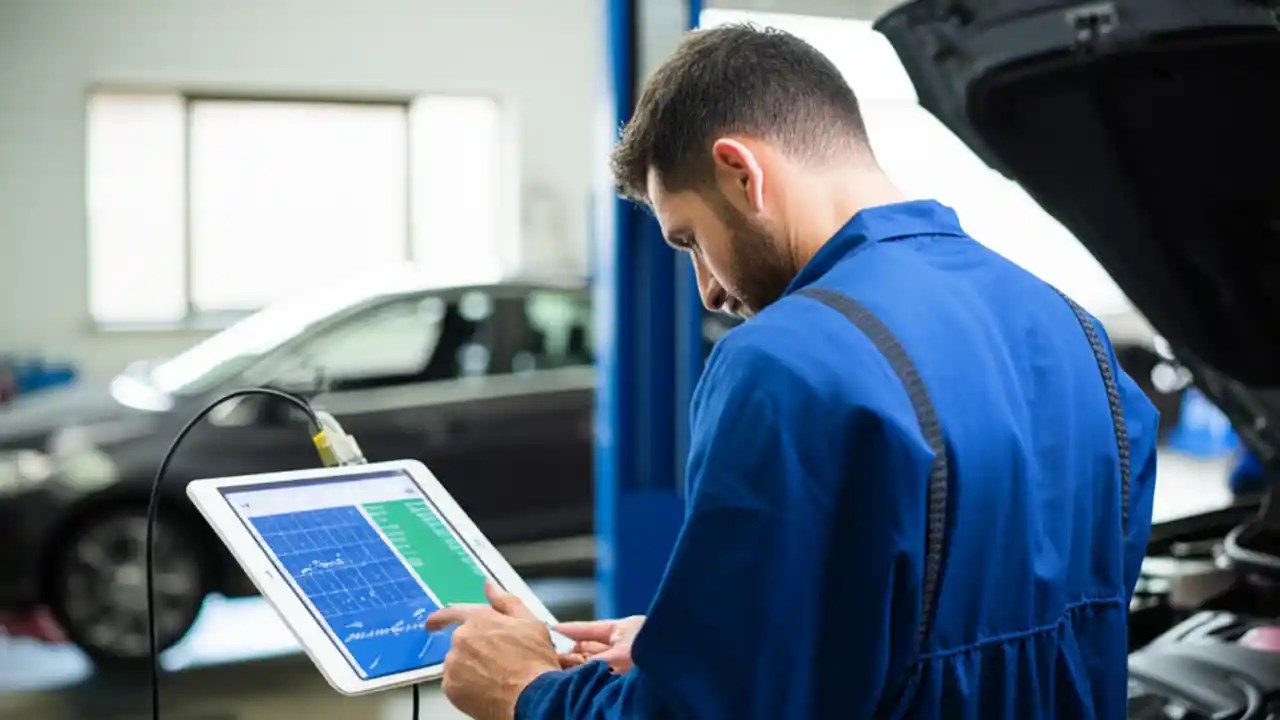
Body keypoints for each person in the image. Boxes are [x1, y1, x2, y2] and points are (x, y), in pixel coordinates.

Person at [425, 24, 1159, 719]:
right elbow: (964, 624)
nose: (708, 290)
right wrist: (700, 641)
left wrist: (526, 691)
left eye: (690, 241)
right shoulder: (1078, 336)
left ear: (741, 173)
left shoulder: (785, 363)